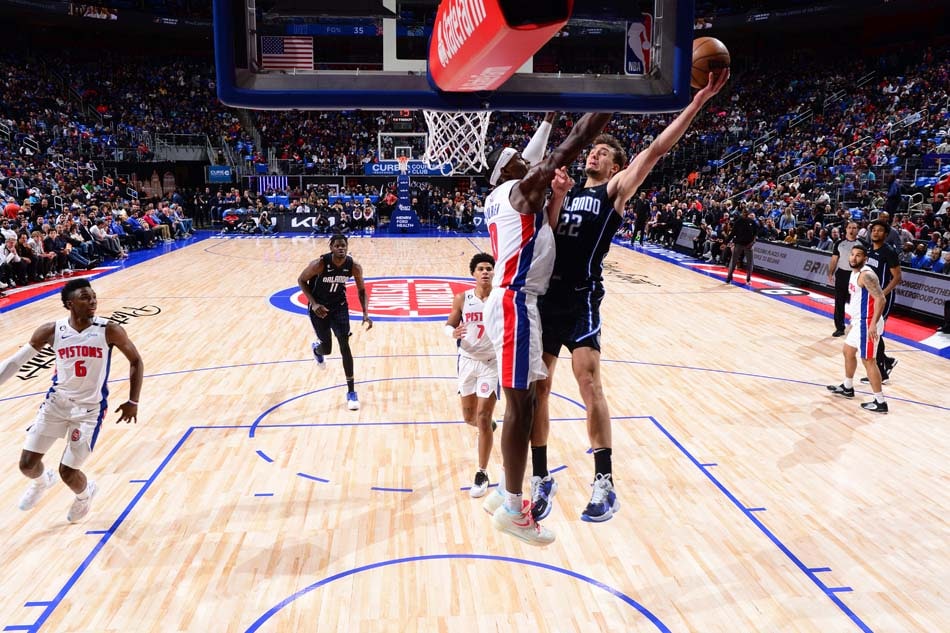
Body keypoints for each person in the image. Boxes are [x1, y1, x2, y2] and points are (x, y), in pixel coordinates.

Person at [530, 69, 729, 524]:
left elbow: (657, 149)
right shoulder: (569, 189)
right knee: (539, 390)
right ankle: (541, 478)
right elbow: (552, 235)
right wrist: (556, 197)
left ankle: (604, 482)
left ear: (616, 166)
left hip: (581, 297)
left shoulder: (616, 191)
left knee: (588, 381)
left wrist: (695, 104)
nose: (593, 153)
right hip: (547, 299)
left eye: (602, 151)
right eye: (592, 149)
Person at [478, 110, 614, 546]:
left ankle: (503, 491)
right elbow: (569, 144)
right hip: (519, 302)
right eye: (521, 159)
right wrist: (609, 102)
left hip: (517, 303)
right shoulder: (522, 188)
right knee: (521, 409)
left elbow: (541, 152)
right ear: (512, 172)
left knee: (529, 401)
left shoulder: (501, 196)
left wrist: (548, 117)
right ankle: (516, 508)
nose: (529, 160)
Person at [0, 278, 143, 521]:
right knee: (26, 465)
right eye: (85, 297)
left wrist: (133, 401)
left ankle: (85, 495)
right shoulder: (51, 330)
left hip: (89, 411)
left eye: (94, 296)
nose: (93, 301)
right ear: (70, 304)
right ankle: (41, 483)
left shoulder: (109, 330)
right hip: (56, 405)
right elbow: (15, 362)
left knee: (68, 471)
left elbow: (136, 361)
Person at [297, 234, 372, 410]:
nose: (341, 248)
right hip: (320, 308)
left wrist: (365, 313)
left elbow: (362, 290)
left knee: (345, 344)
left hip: (339, 307)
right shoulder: (320, 264)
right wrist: (314, 304)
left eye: (343, 245)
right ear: (331, 247)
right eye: (337, 245)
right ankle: (317, 348)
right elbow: (301, 280)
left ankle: (351, 392)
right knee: (327, 349)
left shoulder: (353, 266)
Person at [445, 253, 498, 498]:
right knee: (469, 418)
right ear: (473, 273)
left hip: (491, 363)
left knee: (484, 418)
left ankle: (482, 472)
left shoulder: (499, 298)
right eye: (481, 268)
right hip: (466, 361)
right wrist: (451, 333)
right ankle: (488, 426)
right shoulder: (463, 298)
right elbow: (449, 324)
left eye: (489, 268)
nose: (485, 272)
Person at [826, 243, 889, 413]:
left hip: (867, 322)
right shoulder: (854, 274)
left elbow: (881, 299)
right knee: (848, 351)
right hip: (859, 322)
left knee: (869, 361)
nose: (854, 258)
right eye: (852, 254)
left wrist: (873, 324)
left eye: (858, 255)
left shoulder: (866, 275)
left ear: (865, 258)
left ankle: (880, 401)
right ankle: (847, 387)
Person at [862, 219, 902, 382]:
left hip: (883, 296)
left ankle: (881, 372)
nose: (876, 232)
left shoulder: (889, 252)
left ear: (885, 235)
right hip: (870, 295)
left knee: (874, 331)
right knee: (873, 330)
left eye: (879, 230)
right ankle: (885, 361)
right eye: (874, 230)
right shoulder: (869, 250)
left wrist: (882, 294)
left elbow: (897, 277)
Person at [827, 221, 860, 336]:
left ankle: (857, 326)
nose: (852, 230)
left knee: (856, 302)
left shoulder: (862, 244)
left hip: (856, 275)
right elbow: (834, 259)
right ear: (846, 229)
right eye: (850, 227)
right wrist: (830, 273)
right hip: (842, 274)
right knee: (839, 301)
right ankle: (840, 327)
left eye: (854, 228)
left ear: (857, 230)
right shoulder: (839, 243)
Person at [725, 206, 756, 284]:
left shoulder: (752, 222)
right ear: (742, 213)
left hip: (748, 245)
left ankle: (748, 279)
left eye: (746, 212)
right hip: (739, 243)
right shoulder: (739, 221)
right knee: (734, 261)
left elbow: (756, 234)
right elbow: (732, 233)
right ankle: (729, 277)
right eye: (744, 212)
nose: (745, 214)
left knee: (750, 262)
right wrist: (725, 242)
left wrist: (752, 243)